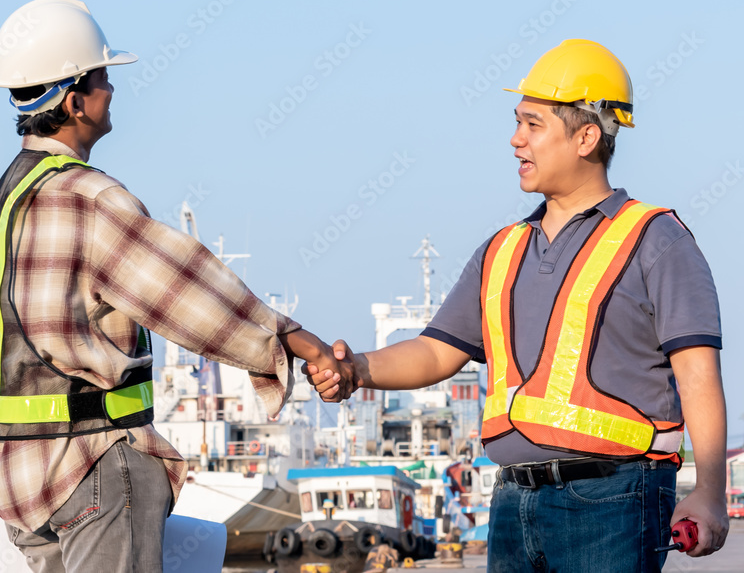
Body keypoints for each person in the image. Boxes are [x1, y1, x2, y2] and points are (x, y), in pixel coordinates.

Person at [306, 39, 729, 571]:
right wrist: (357, 370)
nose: (514, 140)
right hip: (511, 503)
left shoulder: (656, 239)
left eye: (532, 125)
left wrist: (711, 492)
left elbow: (697, 375)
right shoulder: (501, 251)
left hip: (615, 500)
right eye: (516, 123)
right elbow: (437, 352)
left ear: (586, 137)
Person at [0, 0, 356, 572]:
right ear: (75, 100)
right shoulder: (89, 198)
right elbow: (187, 294)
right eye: (103, 78)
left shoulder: (2, 202)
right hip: (89, 462)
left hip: (17, 479)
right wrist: (295, 342)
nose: (113, 90)